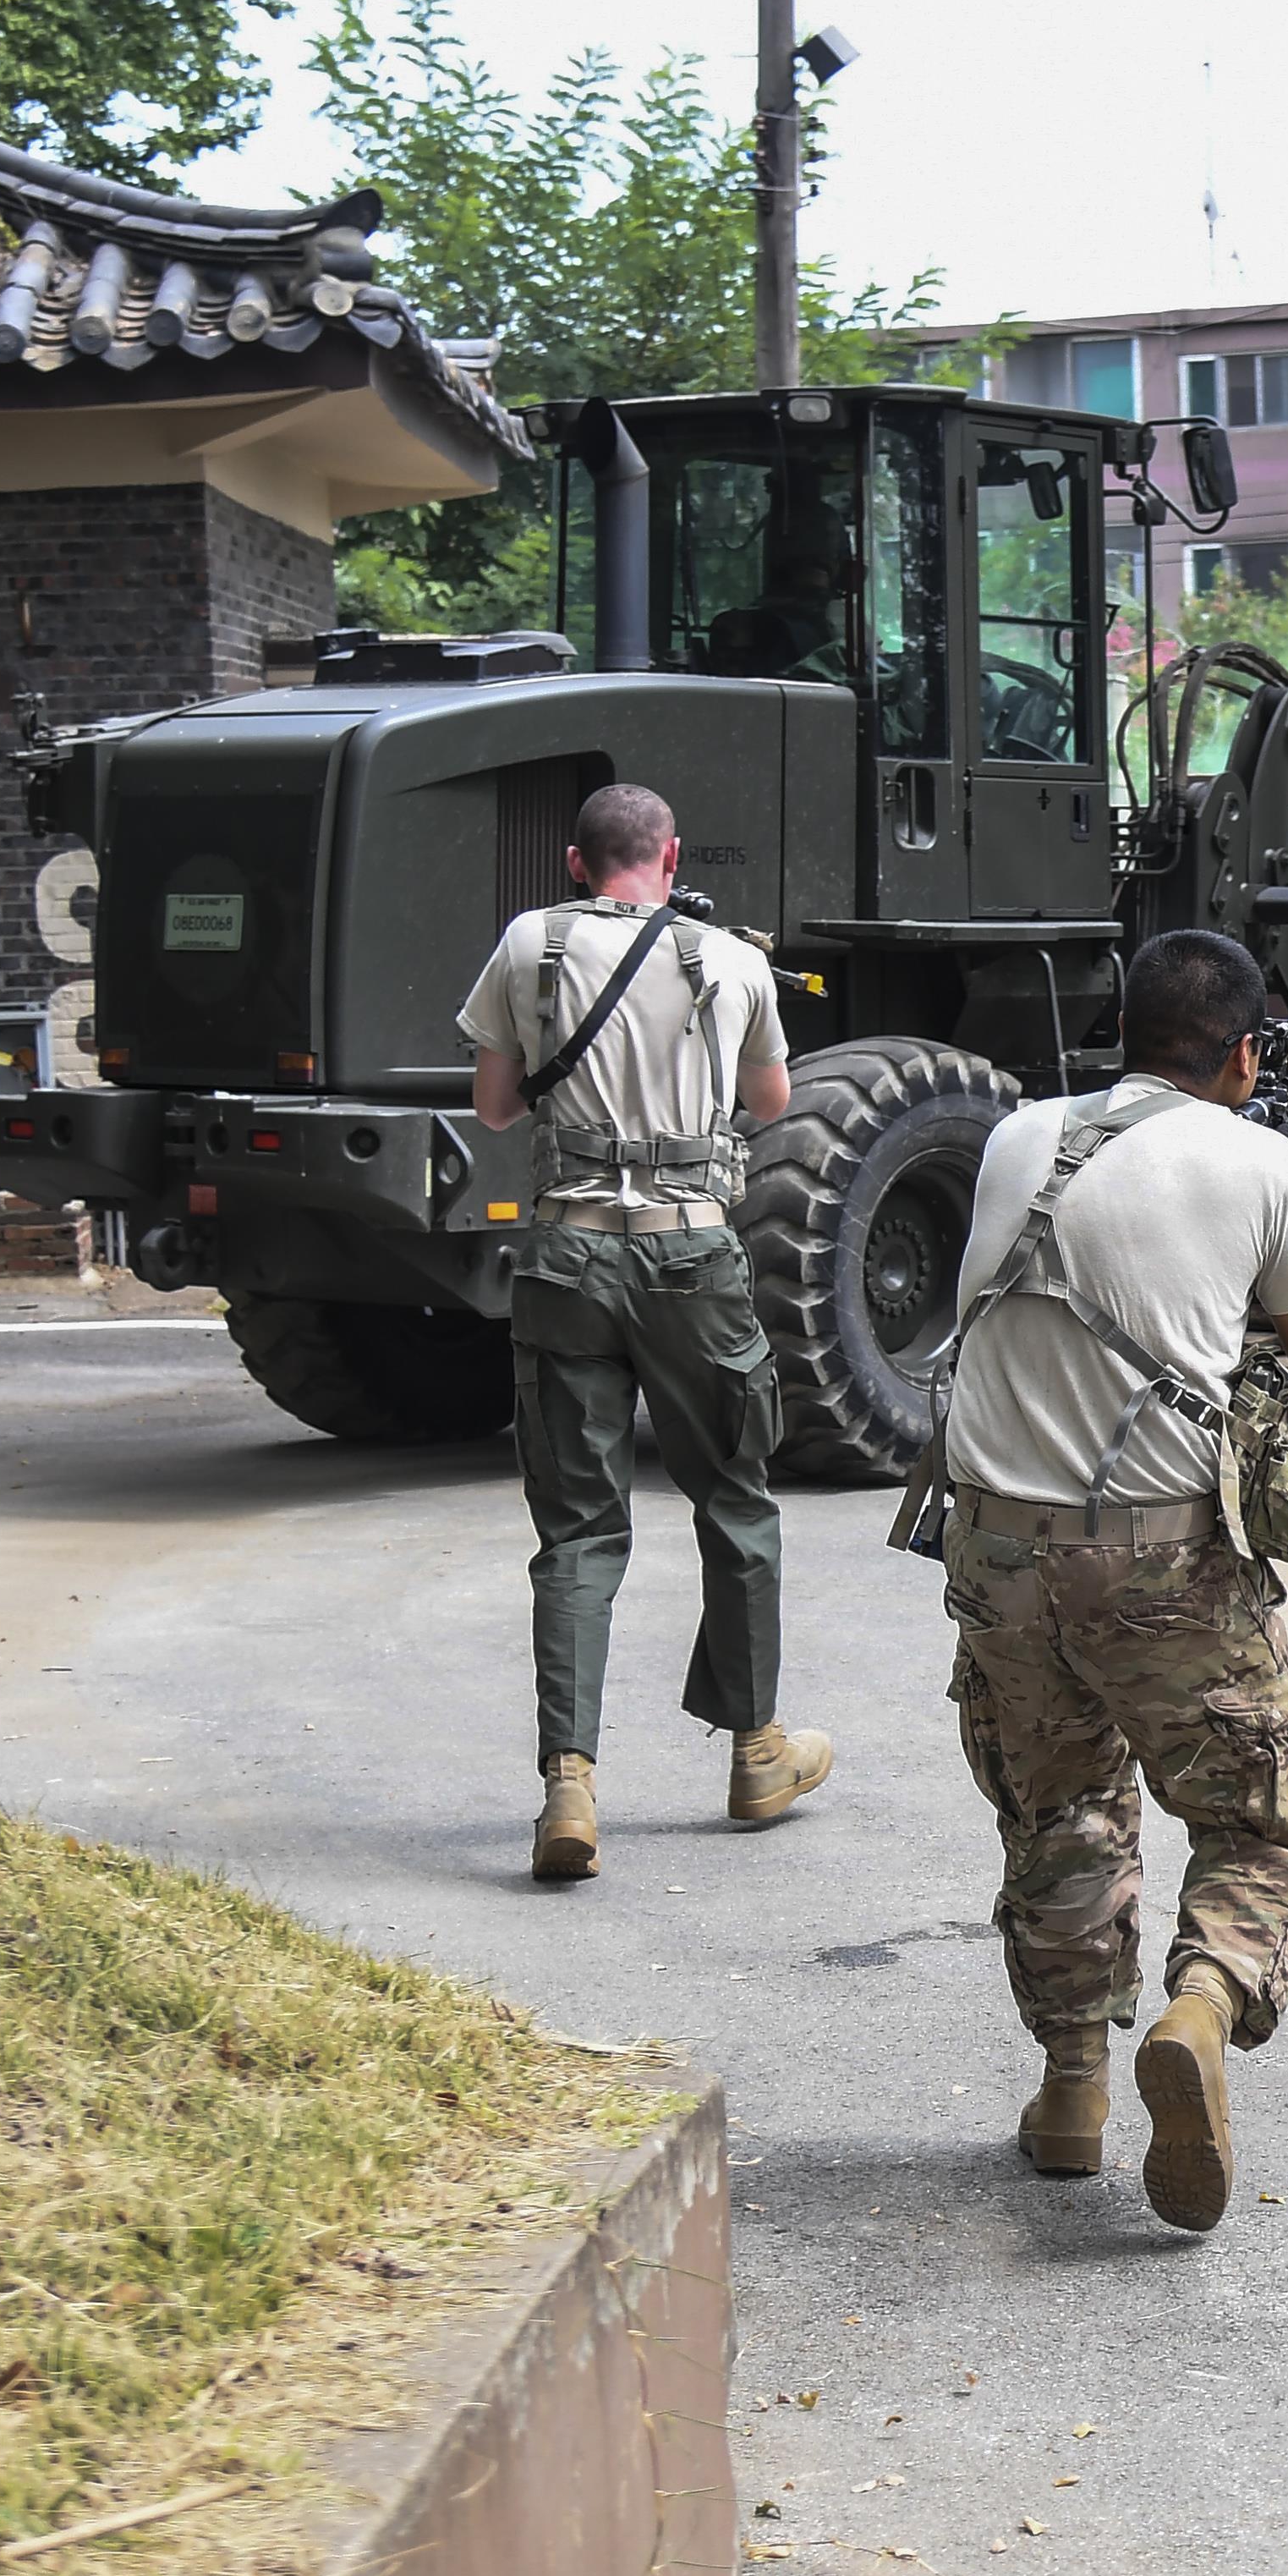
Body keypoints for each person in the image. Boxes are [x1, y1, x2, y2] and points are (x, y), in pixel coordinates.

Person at [937, 929, 1288, 2233]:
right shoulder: (1258, 1157)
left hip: (996, 1545)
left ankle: (1071, 2094)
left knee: (1057, 1814)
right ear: (1244, 1054)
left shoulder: (1021, 1136)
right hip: (1159, 1551)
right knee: (1265, 1821)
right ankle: (1201, 2006)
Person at [459, 782, 830, 1881]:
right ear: (670, 856)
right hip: (690, 1257)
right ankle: (758, 1752)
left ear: (578, 864)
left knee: (578, 1534)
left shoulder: (530, 946)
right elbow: (771, 1105)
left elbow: (493, 1109)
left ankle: (569, 1786)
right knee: (736, 1500)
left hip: (570, 1253)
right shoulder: (735, 961)